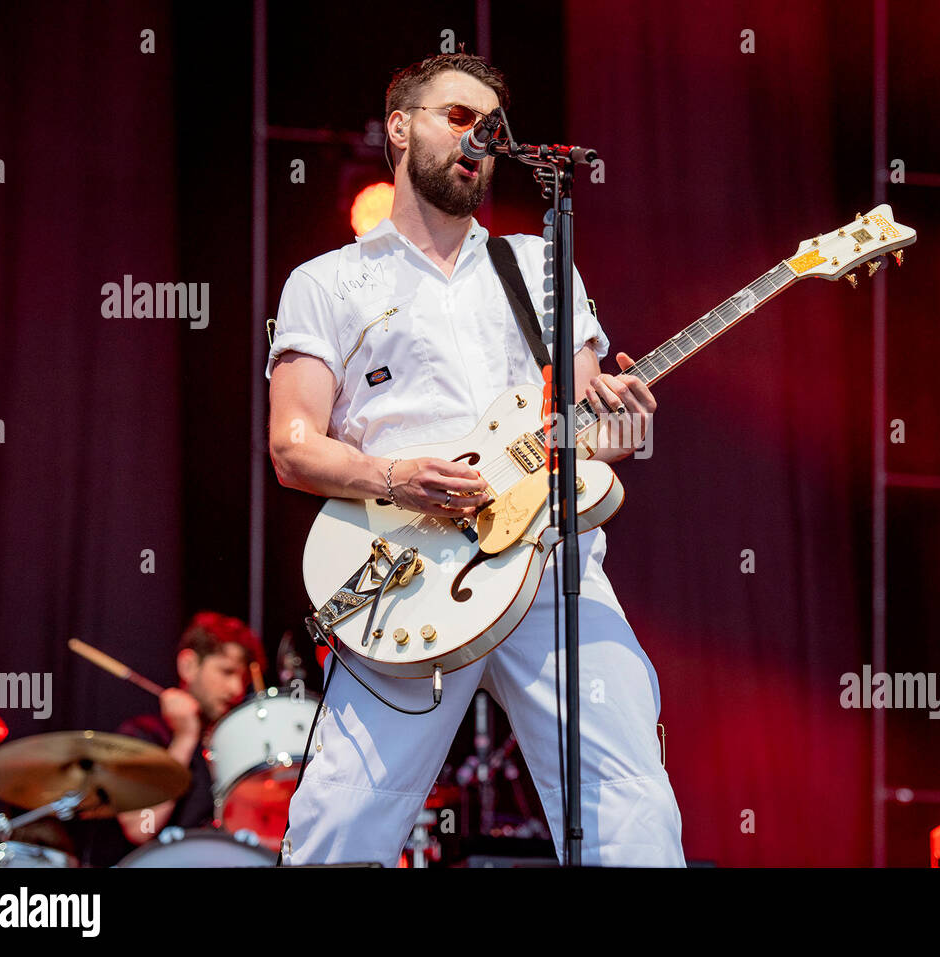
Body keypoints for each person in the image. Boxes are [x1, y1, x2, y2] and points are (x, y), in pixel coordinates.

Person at [267, 52, 684, 867]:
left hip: (550, 568)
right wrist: (395, 474)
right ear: (398, 127)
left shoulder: (537, 262)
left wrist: (621, 432)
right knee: (342, 824)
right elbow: (293, 447)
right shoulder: (328, 282)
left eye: (491, 129)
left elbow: (587, 426)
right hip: (413, 573)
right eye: (457, 118)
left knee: (632, 810)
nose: (477, 139)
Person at [114, 611, 265, 847]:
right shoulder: (144, 734)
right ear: (189, 665)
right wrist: (185, 738)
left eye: (244, 679)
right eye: (227, 671)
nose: (236, 689)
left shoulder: (236, 743)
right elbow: (140, 827)